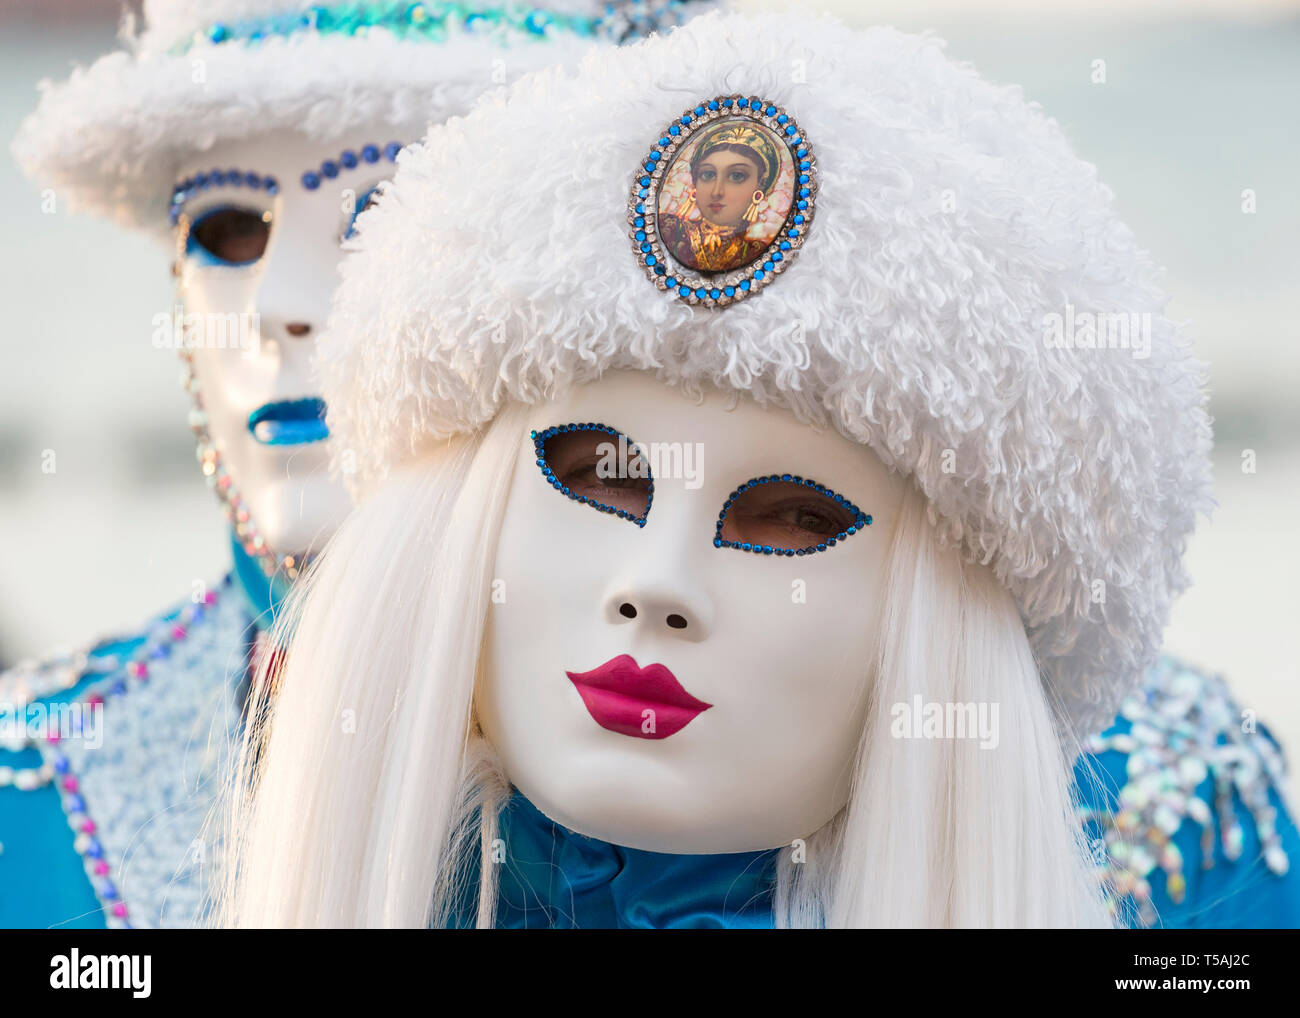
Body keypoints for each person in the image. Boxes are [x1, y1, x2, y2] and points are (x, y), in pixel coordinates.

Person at [215, 12, 1299, 928]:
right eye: (598, 474)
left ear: (942, 630)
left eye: (787, 518)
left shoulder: (1214, 844)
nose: (657, 583)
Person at [0, 0, 704, 929]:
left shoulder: (748, 767)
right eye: (228, 231)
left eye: (375, 216)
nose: (278, 304)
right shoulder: (38, 790)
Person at [657, 120, 785, 273]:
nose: (716, 192)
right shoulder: (670, 230)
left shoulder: (755, 251)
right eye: (708, 174)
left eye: (736, 176)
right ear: (695, 183)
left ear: (759, 188)